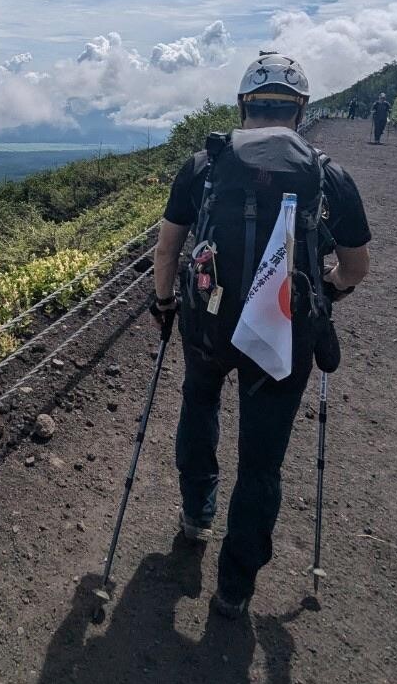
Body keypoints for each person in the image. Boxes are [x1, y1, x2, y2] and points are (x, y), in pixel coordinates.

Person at [152, 53, 371, 618]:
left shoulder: (204, 164)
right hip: (284, 334)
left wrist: (165, 301)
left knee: (199, 405)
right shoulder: (328, 176)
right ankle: (236, 586)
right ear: (301, 112)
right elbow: (355, 266)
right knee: (262, 462)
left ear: (243, 106)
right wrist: (328, 294)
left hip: (208, 324)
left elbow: (169, 248)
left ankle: (196, 516)